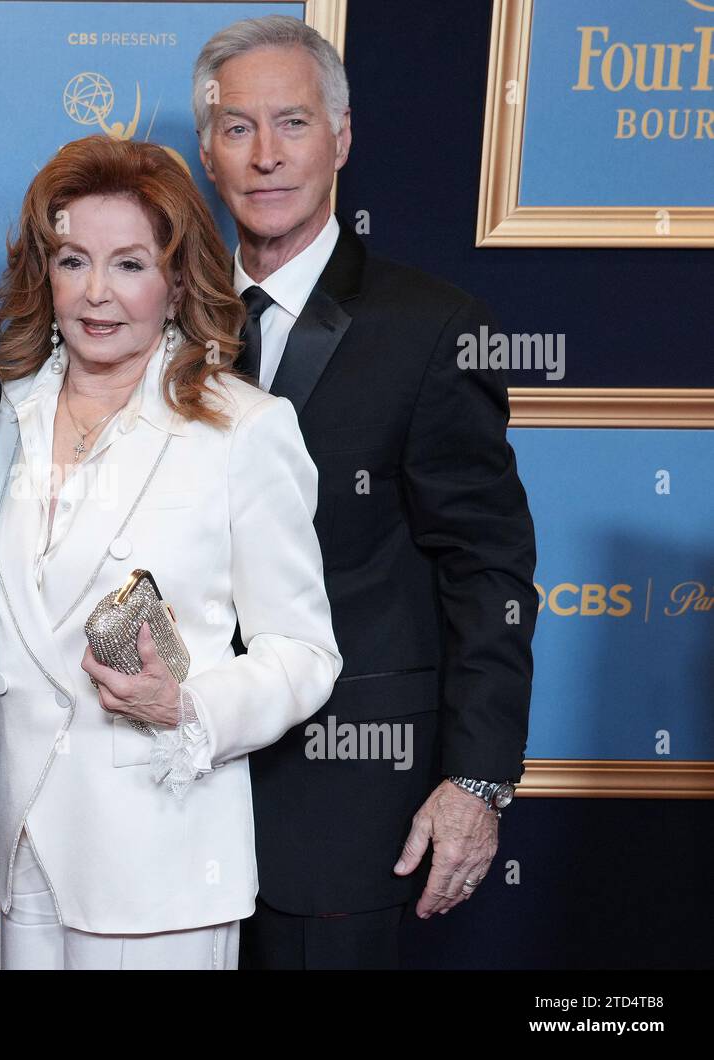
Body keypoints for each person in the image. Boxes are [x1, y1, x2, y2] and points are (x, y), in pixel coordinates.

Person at [192, 16, 538, 969]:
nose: (266, 155)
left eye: (293, 123)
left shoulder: (433, 327)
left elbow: (488, 568)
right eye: (237, 127)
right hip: (169, 797)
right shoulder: (159, 322)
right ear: (207, 150)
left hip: (349, 804)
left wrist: (477, 779)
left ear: (342, 138)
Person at [0, 135, 342, 970]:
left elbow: (305, 652)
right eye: (73, 260)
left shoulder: (242, 428)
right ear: (46, 272)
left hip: (161, 854)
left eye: (131, 265)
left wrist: (188, 707)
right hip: (21, 844)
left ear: (177, 282)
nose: (97, 293)